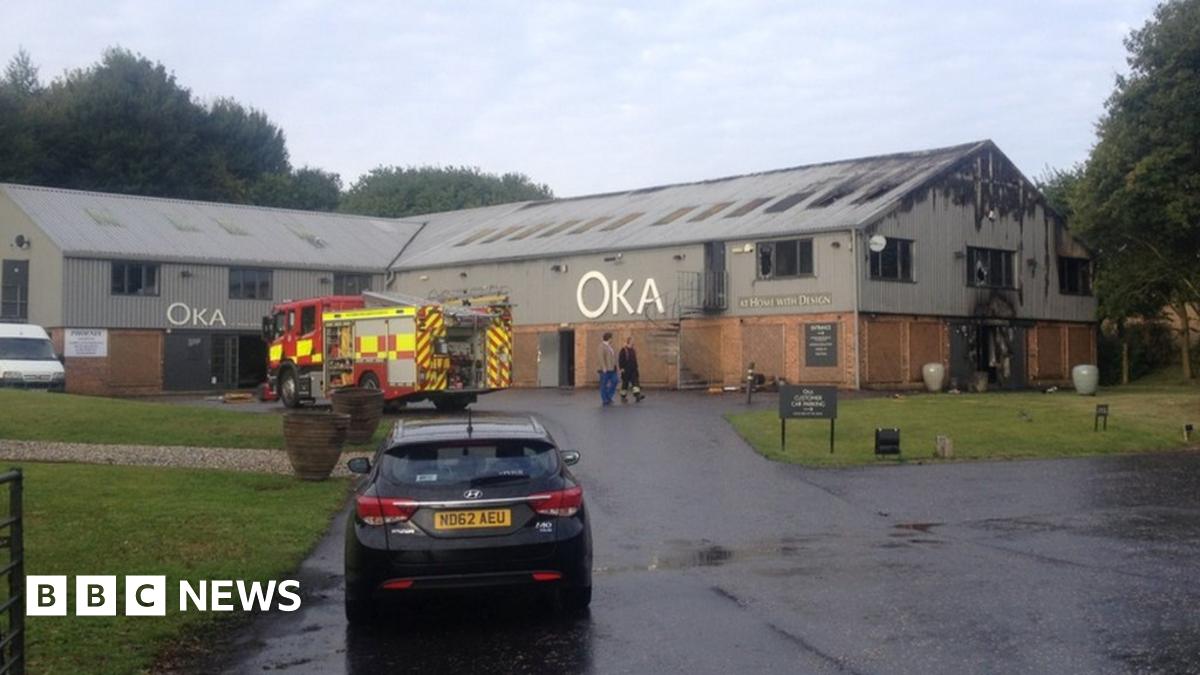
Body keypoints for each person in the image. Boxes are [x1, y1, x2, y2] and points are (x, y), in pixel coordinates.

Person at [618, 336, 645, 403]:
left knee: (635, 383)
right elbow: (620, 360)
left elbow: (634, 360)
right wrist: (621, 368)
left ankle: (637, 395)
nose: (634, 342)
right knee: (625, 384)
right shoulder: (624, 350)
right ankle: (623, 396)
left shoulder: (633, 350)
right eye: (632, 340)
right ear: (629, 341)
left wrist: (636, 368)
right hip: (626, 370)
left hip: (633, 370)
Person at [597, 332, 618, 406]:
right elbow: (601, 357)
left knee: (615, 381)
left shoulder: (610, 346)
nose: (612, 339)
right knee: (604, 384)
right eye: (611, 338)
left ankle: (609, 396)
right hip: (605, 369)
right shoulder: (601, 346)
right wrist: (604, 367)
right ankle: (605, 400)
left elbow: (613, 357)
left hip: (612, 368)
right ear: (609, 338)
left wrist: (617, 367)